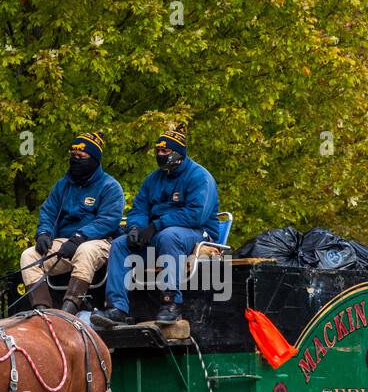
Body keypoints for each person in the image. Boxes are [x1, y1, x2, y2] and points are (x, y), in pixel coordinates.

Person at [93, 129, 219, 326]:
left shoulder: (200, 177)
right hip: (160, 235)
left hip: (198, 233)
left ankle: (171, 303)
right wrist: (135, 228)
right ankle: (117, 308)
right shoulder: (153, 179)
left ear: (178, 154)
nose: (160, 155)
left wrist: (156, 225)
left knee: (169, 236)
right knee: (120, 244)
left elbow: (196, 215)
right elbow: (139, 209)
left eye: (166, 151)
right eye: (158, 151)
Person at [20, 132, 124, 313]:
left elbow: (108, 220)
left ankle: (70, 308)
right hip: (65, 242)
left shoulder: (110, 186)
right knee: (28, 255)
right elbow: (49, 211)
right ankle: (42, 310)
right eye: (73, 156)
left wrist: (79, 237)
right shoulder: (63, 185)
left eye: (81, 157)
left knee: (86, 250)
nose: (75, 160)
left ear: (94, 159)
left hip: (98, 242)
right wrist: (44, 233)